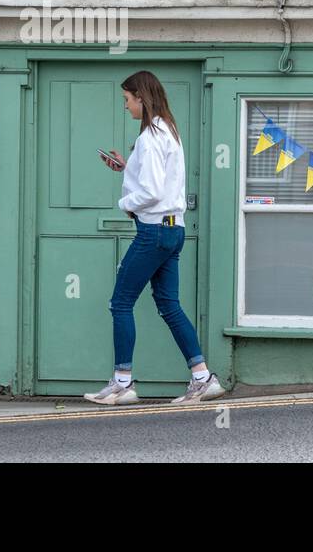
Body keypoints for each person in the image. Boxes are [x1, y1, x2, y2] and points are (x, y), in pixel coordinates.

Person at [84, 70, 226, 406]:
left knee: (120, 303)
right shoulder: (169, 131)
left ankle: (122, 382)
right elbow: (155, 180)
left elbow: (150, 191)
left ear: (141, 98)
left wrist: (124, 203)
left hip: (152, 232)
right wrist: (126, 166)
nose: (125, 106)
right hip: (173, 230)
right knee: (169, 305)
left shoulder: (150, 137)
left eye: (127, 99)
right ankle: (203, 377)